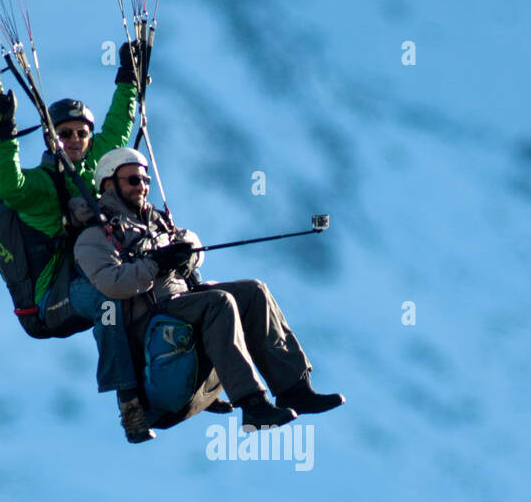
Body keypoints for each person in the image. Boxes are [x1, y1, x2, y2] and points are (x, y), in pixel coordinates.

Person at [70, 148, 345, 435]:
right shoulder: (93, 236)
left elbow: (191, 241)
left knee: (254, 291)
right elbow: (111, 283)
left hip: (181, 301)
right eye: (133, 180)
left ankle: (293, 388)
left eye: (145, 179)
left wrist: (187, 253)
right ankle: (252, 404)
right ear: (108, 184)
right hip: (148, 318)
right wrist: (153, 264)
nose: (142, 186)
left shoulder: (156, 221)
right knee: (219, 302)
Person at [0, 41, 150, 442]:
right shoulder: (41, 187)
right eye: (66, 134)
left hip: (97, 270)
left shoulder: (98, 167)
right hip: (52, 298)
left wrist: (129, 75)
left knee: (155, 277)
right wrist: (5, 135)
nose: (75, 139)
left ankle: (179, 370)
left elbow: (120, 121)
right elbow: (10, 187)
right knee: (109, 303)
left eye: (81, 133)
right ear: (51, 138)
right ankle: (130, 405)